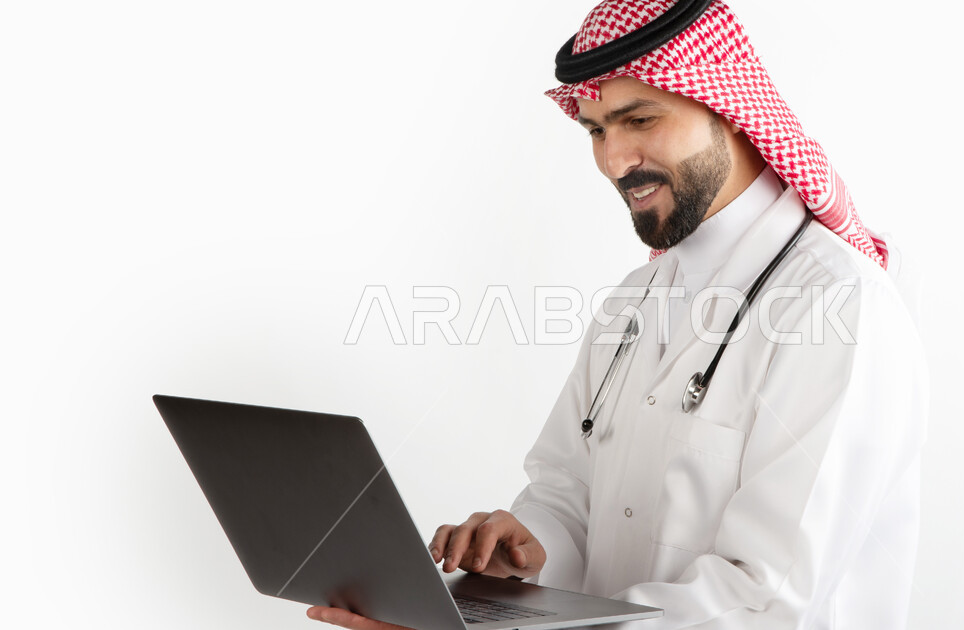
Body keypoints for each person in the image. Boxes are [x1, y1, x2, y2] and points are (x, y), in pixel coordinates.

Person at [308, 1, 927, 628]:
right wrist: (528, 548)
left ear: (732, 112)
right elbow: (567, 491)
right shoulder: (631, 301)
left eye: (640, 119)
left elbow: (768, 599)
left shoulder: (840, 305)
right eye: (598, 130)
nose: (615, 160)